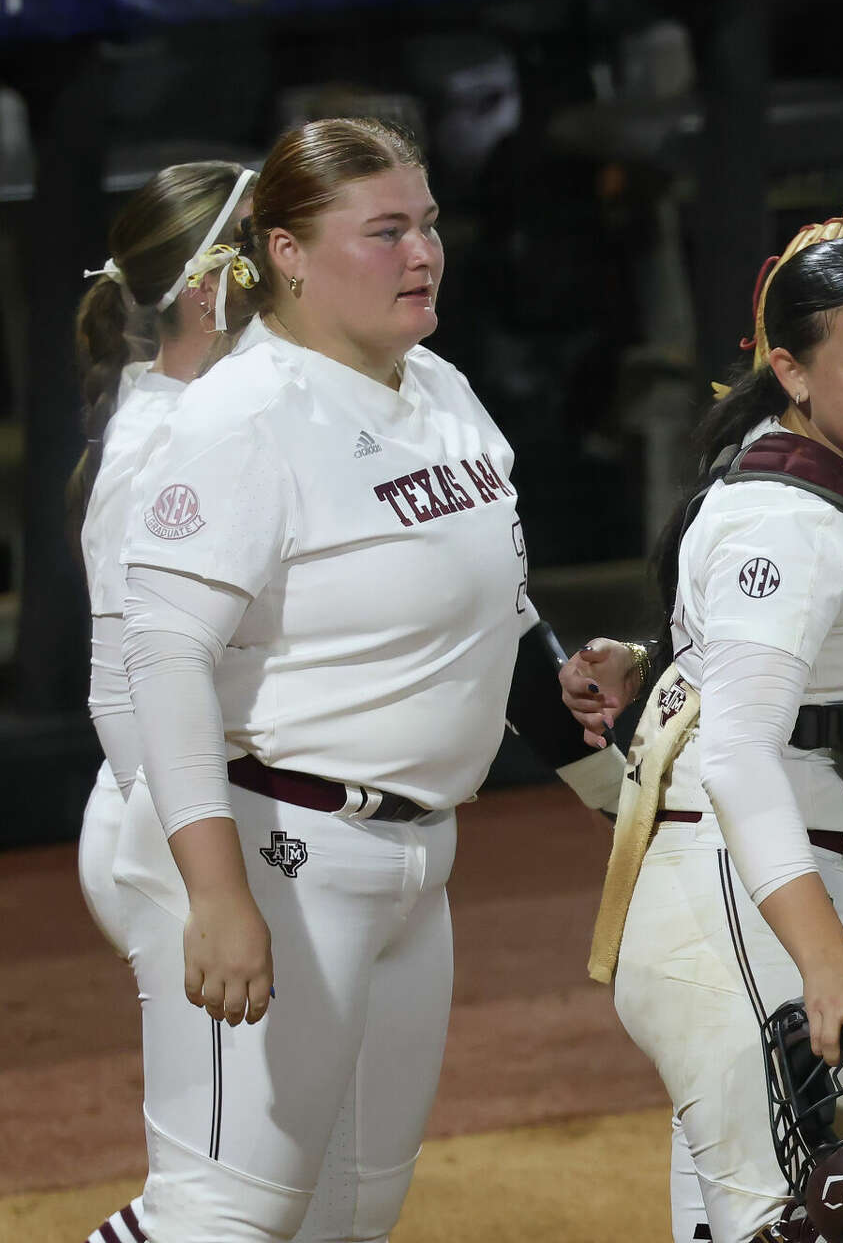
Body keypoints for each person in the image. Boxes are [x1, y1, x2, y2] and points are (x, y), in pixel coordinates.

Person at [111, 117, 623, 1243]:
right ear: (286, 252)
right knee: (218, 1220)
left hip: (414, 861)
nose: (423, 253)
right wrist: (215, 893)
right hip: (275, 848)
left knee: (351, 1216)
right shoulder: (243, 417)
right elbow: (165, 656)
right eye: (384, 230)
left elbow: (504, 599)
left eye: (429, 224)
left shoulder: (437, 386)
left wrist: (597, 758)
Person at [557, 237, 843, 1243]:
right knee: (804, 1222)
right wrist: (823, 959)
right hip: (737, 896)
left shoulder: (830, 477)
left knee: (737, 1219)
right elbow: (736, 750)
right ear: (789, 368)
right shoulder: (785, 519)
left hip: (748, 888)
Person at [68, 159, 261, 1243]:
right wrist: (210, 873)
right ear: (209, 285)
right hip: (179, 831)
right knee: (220, 1202)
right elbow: (118, 692)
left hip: (224, 823)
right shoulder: (157, 445)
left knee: (286, 1172)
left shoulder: (231, 410)